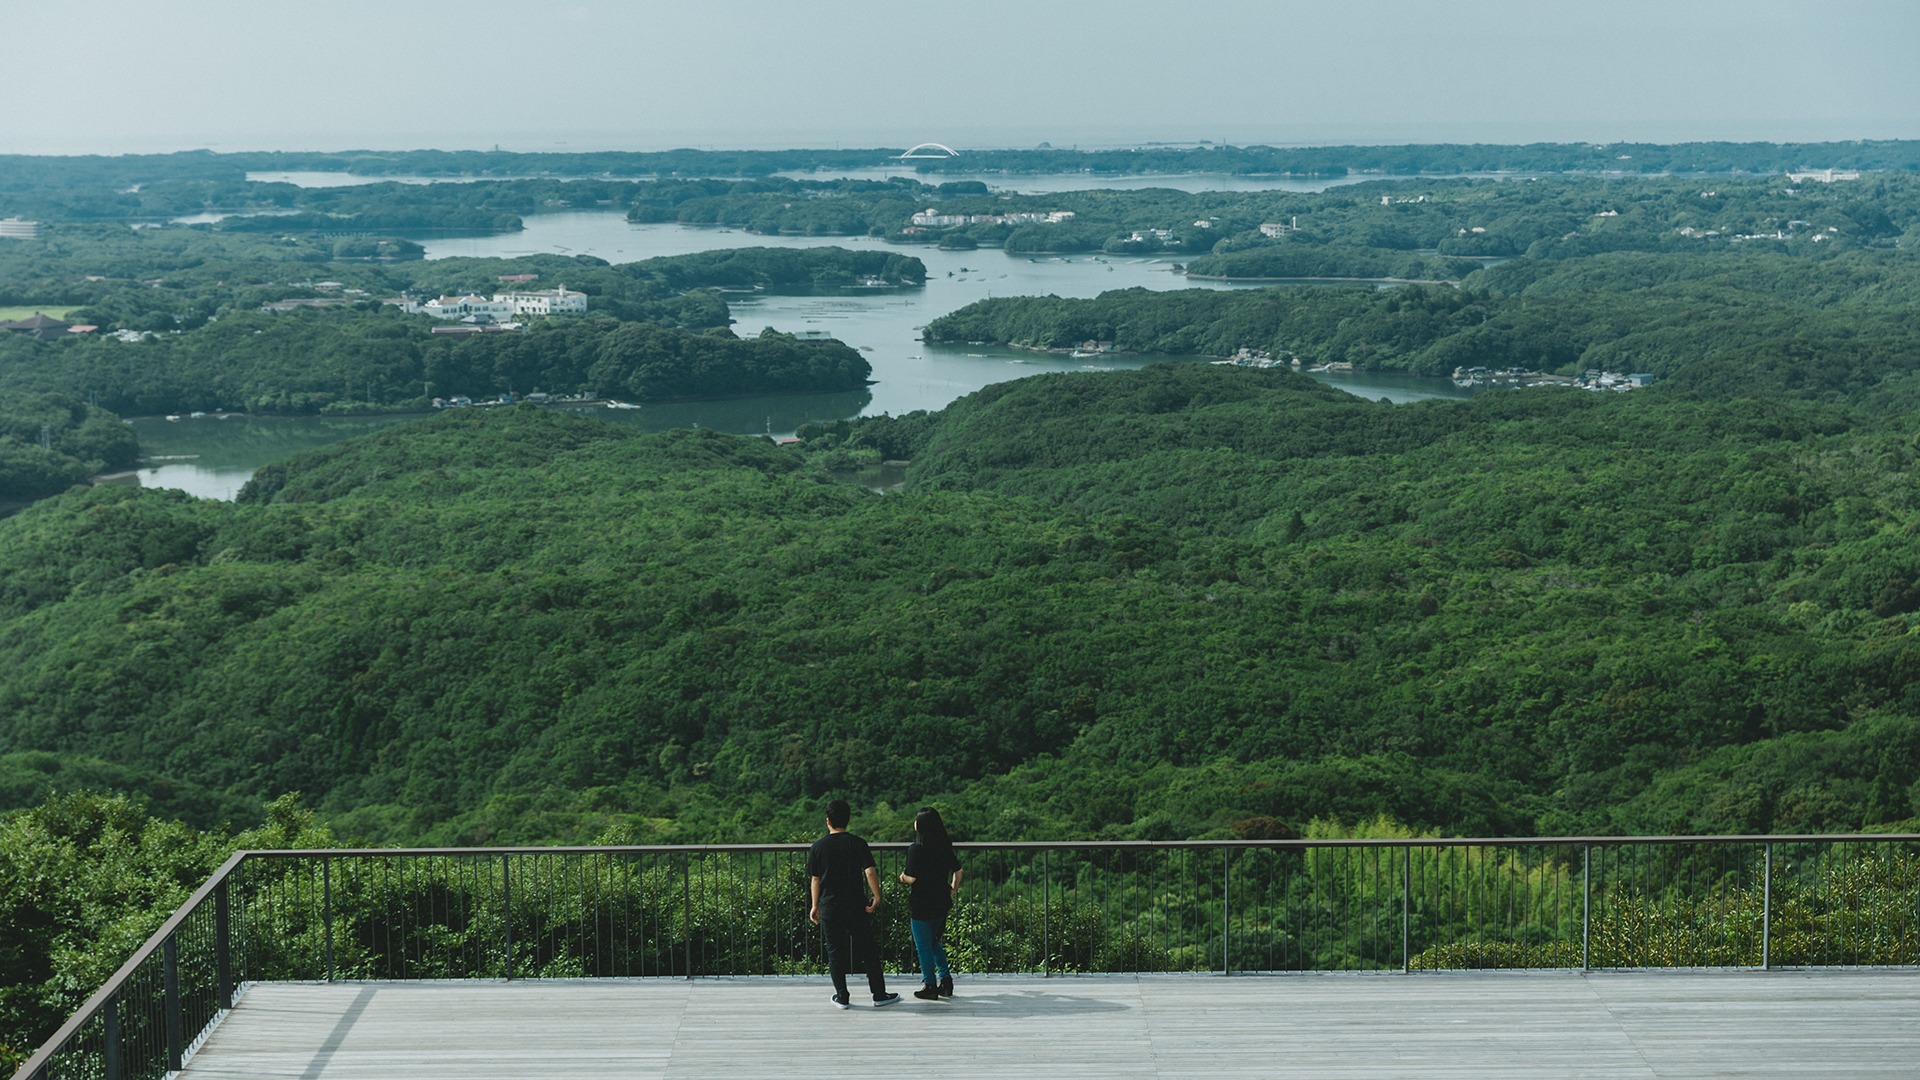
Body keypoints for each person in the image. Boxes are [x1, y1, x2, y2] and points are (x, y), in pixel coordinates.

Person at [807, 798, 900, 1008]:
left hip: (830, 906)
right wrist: (877, 895)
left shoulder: (818, 847)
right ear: (847, 820)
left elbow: (815, 879)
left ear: (827, 821)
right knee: (868, 951)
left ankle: (842, 996)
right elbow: (869, 871)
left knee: (835, 952)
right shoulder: (858, 843)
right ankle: (879, 995)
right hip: (856, 905)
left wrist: (815, 905)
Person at [897, 806, 963, 1000]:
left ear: (920, 826)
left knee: (923, 946)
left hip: (921, 903)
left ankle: (930, 986)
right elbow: (958, 871)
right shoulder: (943, 846)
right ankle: (946, 980)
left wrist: (901, 877)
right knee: (934, 942)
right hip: (941, 902)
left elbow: (911, 878)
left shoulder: (916, 848)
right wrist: (952, 889)